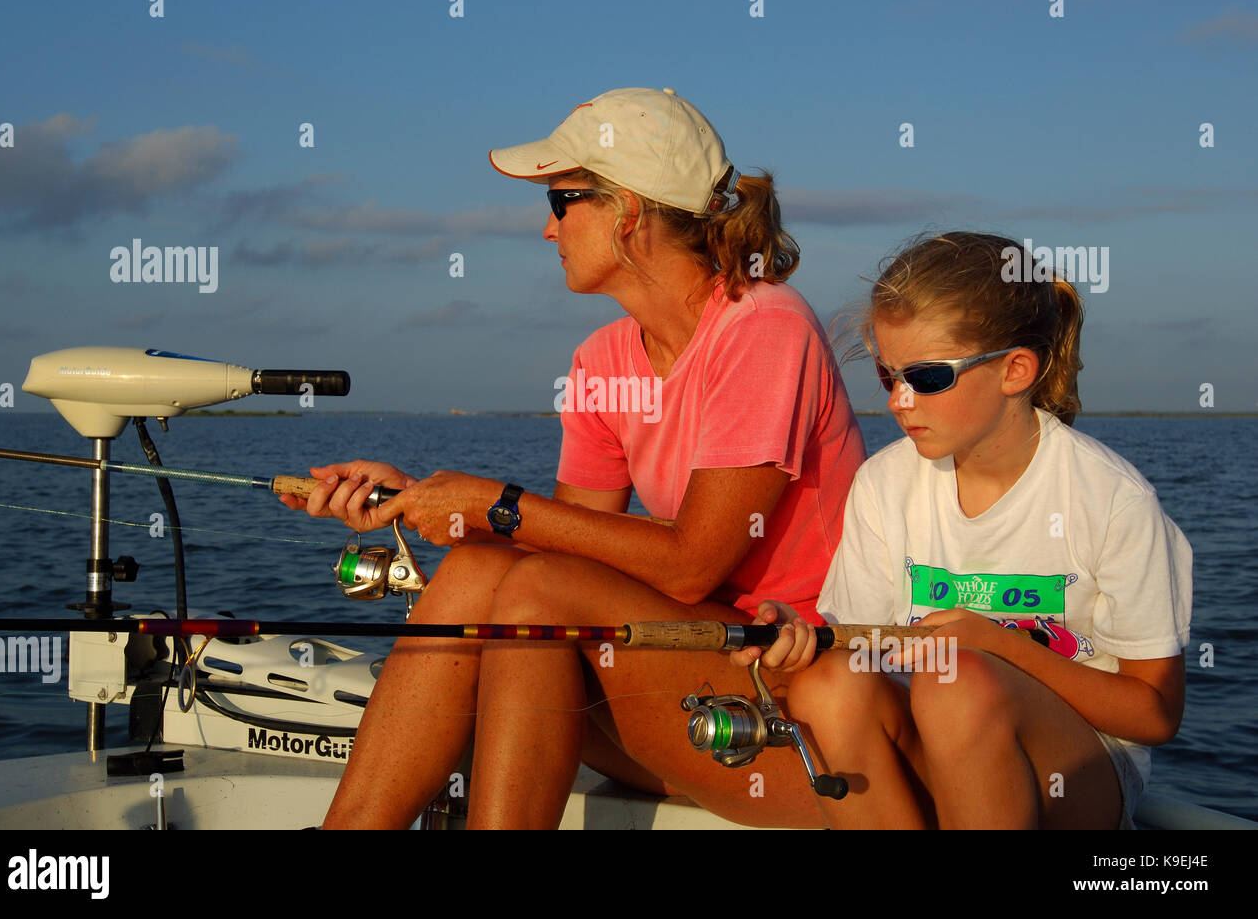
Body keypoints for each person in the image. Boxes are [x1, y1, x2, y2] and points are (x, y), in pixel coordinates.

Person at [281, 87, 865, 828]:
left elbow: (692, 563)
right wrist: (421, 498)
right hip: (682, 686)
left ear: (629, 211)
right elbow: (569, 542)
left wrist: (492, 503)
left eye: (561, 203)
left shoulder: (765, 328)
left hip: (793, 708)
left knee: (537, 596)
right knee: (483, 569)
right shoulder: (601, 361)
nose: (547, 231)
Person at [738, 231, 1192, 829]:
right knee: (825, 685)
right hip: (936, 743)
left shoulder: (1111, 499)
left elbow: (1155, 714)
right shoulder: (883, 484)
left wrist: (996, 647)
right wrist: (801, 643)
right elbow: (859, 648)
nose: (899, 400)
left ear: (1015, 371)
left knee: (959, 683)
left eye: (927, 377)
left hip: (1079, 775)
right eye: (886, 374)